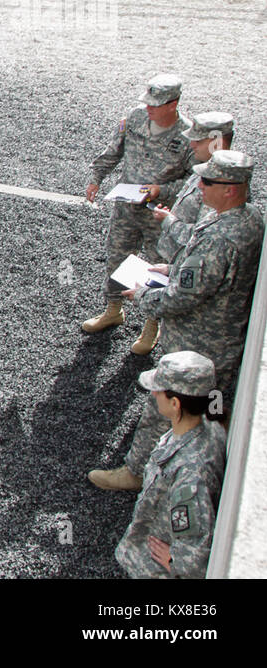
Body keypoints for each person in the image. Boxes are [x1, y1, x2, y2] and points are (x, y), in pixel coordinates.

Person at [91, 150, 262, 492]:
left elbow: (182, 297)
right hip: (222, 340)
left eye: (208, 181)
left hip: (197, 340)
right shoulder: (249, 218)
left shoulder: (219, 237)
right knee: (210, 410)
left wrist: (142, 295)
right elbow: (209, 275)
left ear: (231, 189)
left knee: (163, 405)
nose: (200, 185)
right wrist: (172, 269)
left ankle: (136, 471)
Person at [82, 73, 192, 348]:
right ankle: (113, 309)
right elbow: (113, 150)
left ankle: (152, 324)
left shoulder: (189, 135)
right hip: (126, 205)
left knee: (157, 265)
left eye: (155, 104)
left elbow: (194, 181)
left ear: (173, 104)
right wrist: (96, 177)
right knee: (117, 256)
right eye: (147, 103)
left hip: (160, 214)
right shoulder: (134, 118)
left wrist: (161, 190)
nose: (148, 108)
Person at [113, 351, 226, 579]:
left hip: (151, 560)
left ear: (175, 404)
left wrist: (174, 561)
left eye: (159, 390)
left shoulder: (189, 477)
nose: (153, 394)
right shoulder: (206, 426)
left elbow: (196, 563)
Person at [152, 112, 235, 267]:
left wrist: (168, 220)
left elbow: (202, 235)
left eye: (199, 140)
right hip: (176, 261)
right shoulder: (206, 168)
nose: (192, 145)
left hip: (189, 265)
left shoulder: (219, 182)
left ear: (216, 143)